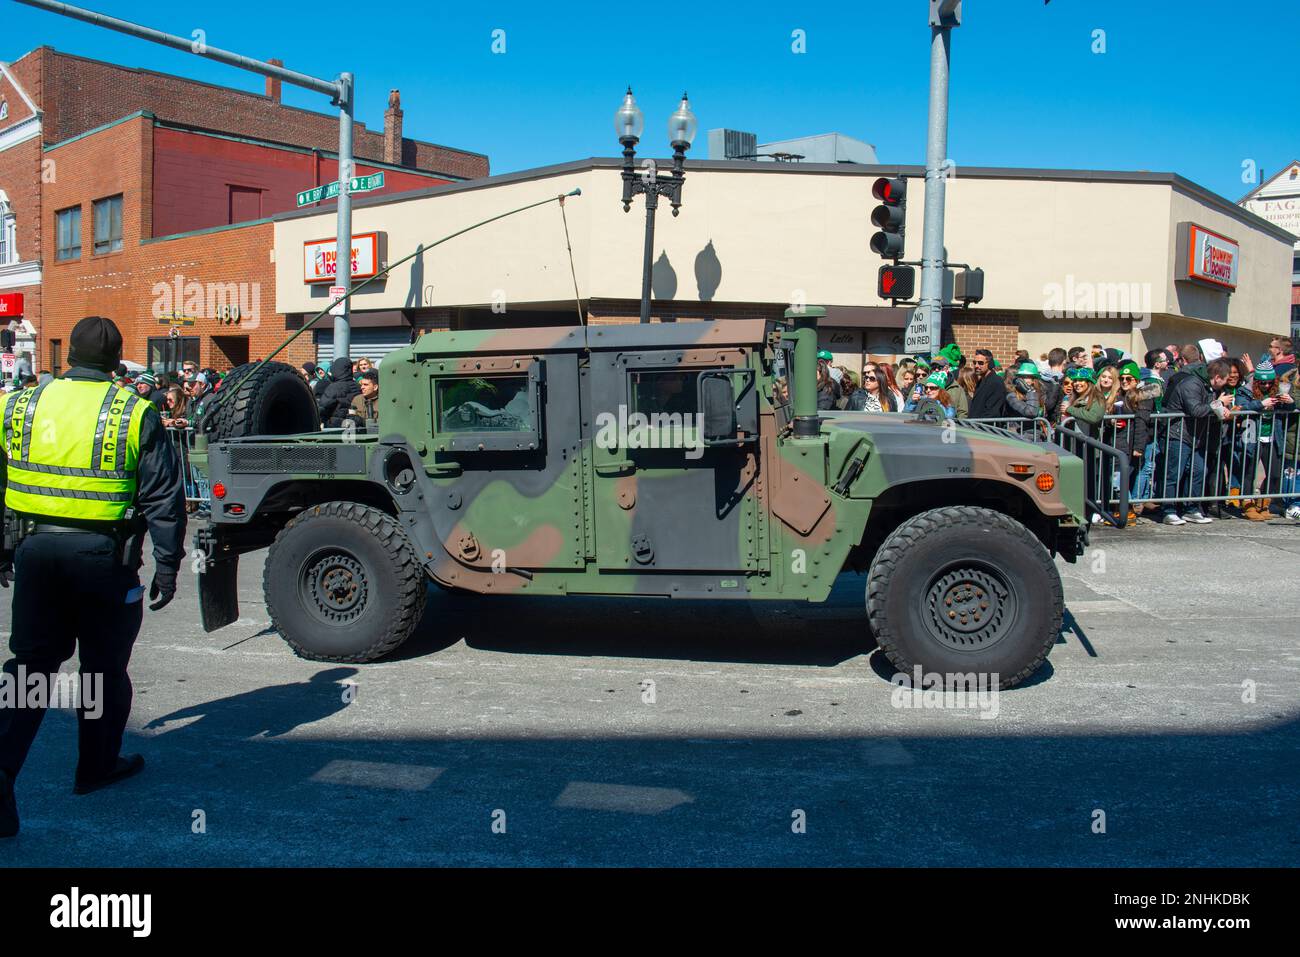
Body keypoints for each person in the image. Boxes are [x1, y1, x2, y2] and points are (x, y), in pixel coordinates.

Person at [0, 316, 187, 838]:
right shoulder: (135, 410)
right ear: (115, 358)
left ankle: (1, 769)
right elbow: (163, 499)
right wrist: (169, 566)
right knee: (102, 670)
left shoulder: (19, 404)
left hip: (36, 553)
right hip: (105, 560)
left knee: (32, 668)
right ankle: (95, 767)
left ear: (70, 357)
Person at [1159, 355, 1231, 526]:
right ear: (1217, 377)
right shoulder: (1193, 383)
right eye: (1225, 380)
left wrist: (1222, 412)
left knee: (1198, 472)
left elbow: (1207, 412)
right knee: (1174, 474)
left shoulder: (1209, 387)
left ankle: (1191, 509)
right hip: (1178, 435)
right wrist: (1218, 404)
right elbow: (1196, 410)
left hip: (1196, 437)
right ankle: (1168, 510)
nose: (1226, 384)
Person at [317, 357, 362, 428]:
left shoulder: (334, 387)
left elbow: (322, 408)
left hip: (335, 426)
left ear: (336, 369)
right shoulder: (358, 386)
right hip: (354, 424)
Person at [967, 349, 1007, 419]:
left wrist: (976, 426)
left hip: (984, 427)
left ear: (989, 364)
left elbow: (992, 412)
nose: (976, 366)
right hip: (975, 426)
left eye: (980, 363)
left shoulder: (996, 382)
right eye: (974, 362)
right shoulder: (981, 381)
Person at [1004, 361, 1046, 426]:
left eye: (1028, 377)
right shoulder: (1012, 395)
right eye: (1022, 377)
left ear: (1033, 380)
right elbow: (1031, 412)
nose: (1025, 380)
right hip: (1019, 433)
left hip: (1036, 432)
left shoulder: (1038, 393)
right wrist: (1030, 391)